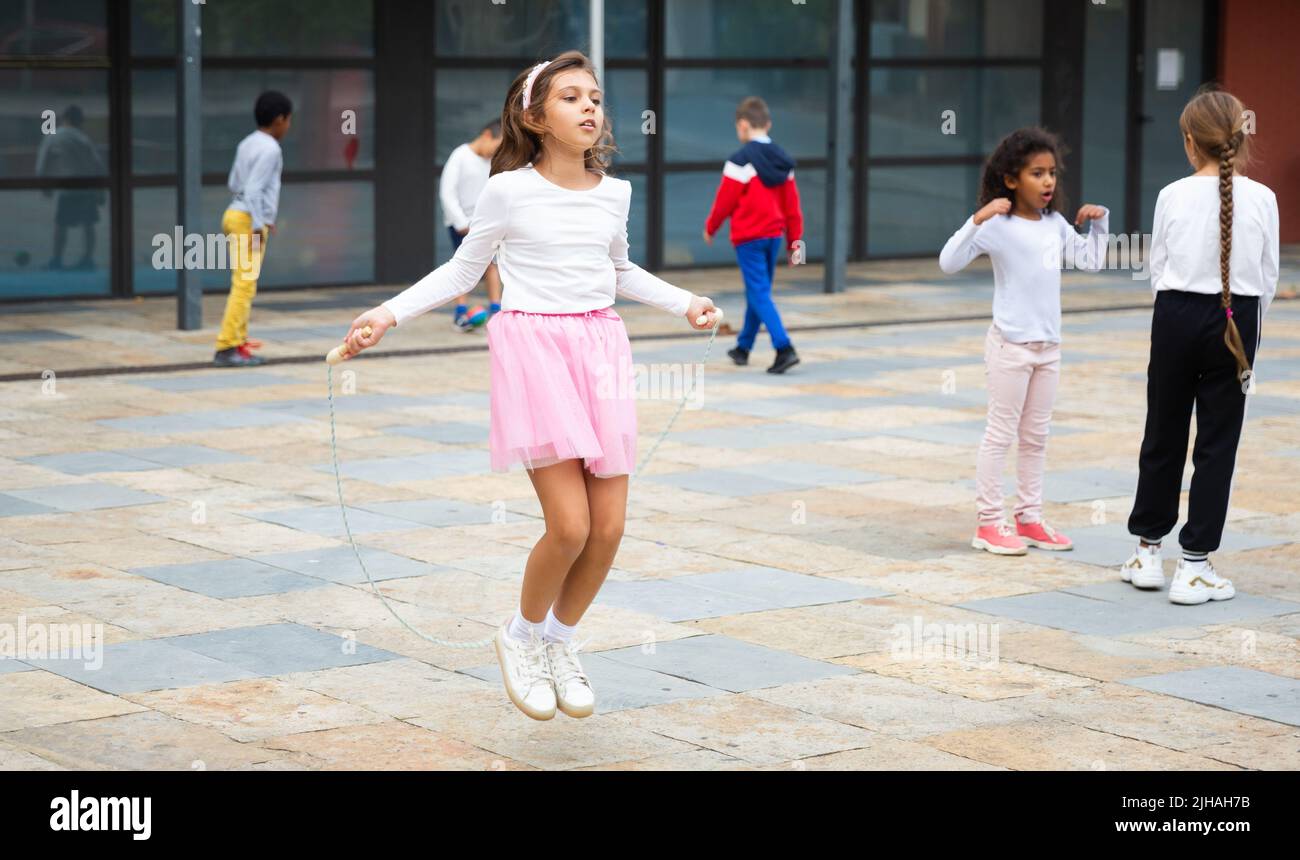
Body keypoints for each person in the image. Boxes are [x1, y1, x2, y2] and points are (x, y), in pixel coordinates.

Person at [338, 52, 720, 721]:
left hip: (601, 347)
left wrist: (685, 302)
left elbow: (620, 269)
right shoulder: (508, 189)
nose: (589, 108)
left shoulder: (614, 191)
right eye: (571, 97)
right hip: (536, 351)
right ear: (534, 116)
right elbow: (462, 272)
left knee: (609, 529)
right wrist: (385, 314)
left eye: (595, 97)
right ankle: (520, 637)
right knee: (569, 527)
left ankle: (560, 642)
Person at [1122, 87, 1279, 605]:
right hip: (1237, 319)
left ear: (1190, 142)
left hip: (1174, 315)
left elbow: (1157, 269)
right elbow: (1269, 277)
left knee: (1162, 431)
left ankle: (1147, 552)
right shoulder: (1264, 198)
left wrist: (1175, 315)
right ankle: (1195, 566)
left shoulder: (1171, 194)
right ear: (1240, 138)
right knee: (1218, 444)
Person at [939, 127, 1110, 556]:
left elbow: (1090, 262)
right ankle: (988, 523)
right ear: (1012, 179)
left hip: (1048, 350)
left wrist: (1101, 226)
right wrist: (976, 219)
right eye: (1037, 173)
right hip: (1009, 349)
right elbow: (948, 262)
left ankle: (1029, 518)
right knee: (1000, 434)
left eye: (1052, 173)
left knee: (1036, 437)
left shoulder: (1054, 225)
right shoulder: (998, 225)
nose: (1048, 181)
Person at [704, 96, 803, 374]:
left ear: (744, 125)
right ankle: (743, 347)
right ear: (768, 124)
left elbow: (724, 201)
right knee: (758, 292)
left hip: (749, 238)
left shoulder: (739, 161)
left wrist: (711, 227)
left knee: (759, 293)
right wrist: (795, 243)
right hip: (774, 237)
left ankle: (784, 348)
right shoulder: (784, 161)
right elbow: (793, 208)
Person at [214, 90, 292, 368]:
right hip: (248, 222)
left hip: (234, 215)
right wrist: (260, 225)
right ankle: (227, 346)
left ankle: (238, 341)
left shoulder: (247, 143)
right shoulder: (271, 148)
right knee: (244, 286)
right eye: (288, 120)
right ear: (280, 119)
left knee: (244, 283)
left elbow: (235, 183)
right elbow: (255, 188)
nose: (288, 126)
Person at [442, 119, 505, 331]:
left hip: (485, 223)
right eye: (495, 147)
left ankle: (496, 310)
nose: (494, 154)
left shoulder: (492, 164)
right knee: (463, 266)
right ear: (487, 135)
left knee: (492, 264)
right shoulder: (461, 155)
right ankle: (461, 313)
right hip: (461, 224)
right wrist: (460, 222)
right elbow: (447, 192)